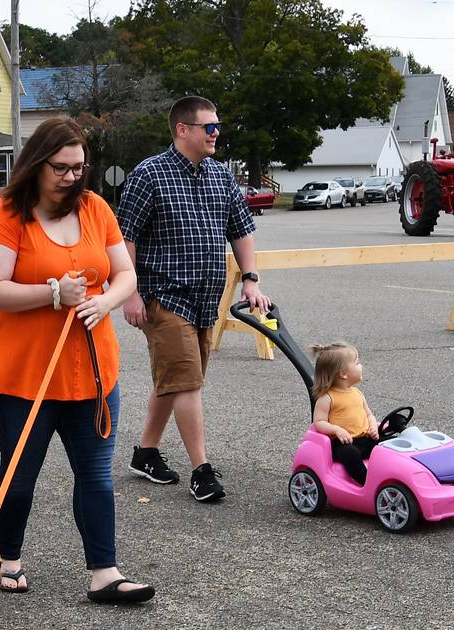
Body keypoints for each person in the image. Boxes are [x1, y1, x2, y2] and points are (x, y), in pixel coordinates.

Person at [0, 117, 154, 604]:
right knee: (20, 471)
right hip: (24, 373)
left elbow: (125, 274)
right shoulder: (7, 213)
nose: (74, 177)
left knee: (95, 474)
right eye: (62, 168)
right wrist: (51, 294)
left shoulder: (95, 208)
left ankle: (104, 573)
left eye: (80, 167)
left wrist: (106, 301)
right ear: (37, 163)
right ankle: (7, 559)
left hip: (91, 371)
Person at [117, 95, 271, 503]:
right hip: (163, 296)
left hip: (206, 299)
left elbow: (241, 230)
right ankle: (201, 471)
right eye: (209, 127)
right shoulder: (149, 175)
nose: (217, 133)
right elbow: (124, 238)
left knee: (175, 380)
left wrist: (250, 280)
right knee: (186, 380)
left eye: (218, 126)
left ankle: (145, 453)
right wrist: (130, 293)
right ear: (183, 130)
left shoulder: (222, 176)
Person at [310, 342, 379, 485]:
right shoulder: (327, 398)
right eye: (357, 363)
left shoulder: (357, 393)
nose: (362, 366)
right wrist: (337, 430)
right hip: (344, 444)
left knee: (390, 443)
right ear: (343, 374)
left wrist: (373, 426)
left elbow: (369, 414)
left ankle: (391, 473)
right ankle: (366, 483)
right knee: (350, 454)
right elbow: (319, 422)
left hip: (365, 439)